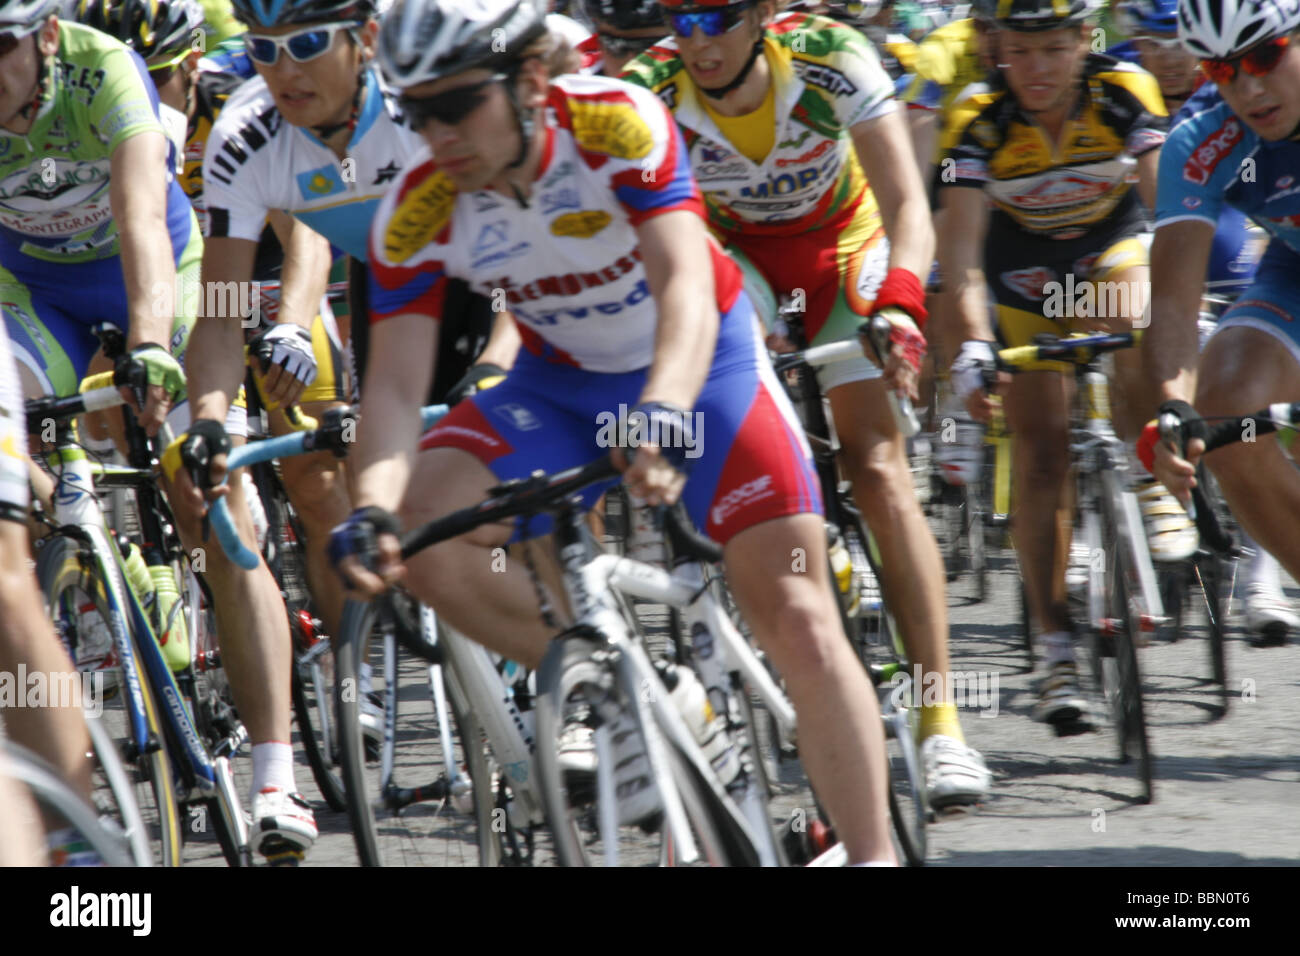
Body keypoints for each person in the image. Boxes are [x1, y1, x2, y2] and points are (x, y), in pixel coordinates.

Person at [334, 0, 900, 864]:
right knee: (420, 527)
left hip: (701, 364)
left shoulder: (614, 121)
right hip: (558, 389)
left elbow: (681, 283)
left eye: (454, 106)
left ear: (528, 81)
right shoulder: (416, 207)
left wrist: (665, 409)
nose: (435, 135)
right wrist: (370, 509)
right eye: (415, 112)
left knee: (795, 610)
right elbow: (395, 387)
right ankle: (627, 686)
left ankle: (873, 853)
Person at [619, 0, 991, 809]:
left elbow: (906, 209)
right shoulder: (650, 89)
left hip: (845, 252)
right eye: (679, 22)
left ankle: (940, 720)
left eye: (716, 19)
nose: (698, 42)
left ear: (758, 15)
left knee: (881, 467)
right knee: (742, 460)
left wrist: (898, 304)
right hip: (736, 260)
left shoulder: (829, 57)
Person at [936, 0, 1173, 728]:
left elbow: (1168, 214)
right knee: (1038, 459)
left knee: (1132, 317)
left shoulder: (1127, 89)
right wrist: (975, 347)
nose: (1037, 69)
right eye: (1021, 52)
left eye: (1053, 50)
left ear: (1082, 41)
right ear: (999, 48)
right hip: (1021, 266)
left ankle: (1149, 472)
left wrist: (1179, 307)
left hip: (1110, 240)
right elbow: (965, 256)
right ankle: (1053, 645)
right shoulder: (976, 118)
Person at [1115, 0, 1296, 642]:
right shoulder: (1200, 138)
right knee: (1220, 409)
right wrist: (1172, 409)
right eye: (1223, 70)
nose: (1248, 86)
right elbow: (1171, 302)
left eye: (1265, 56)